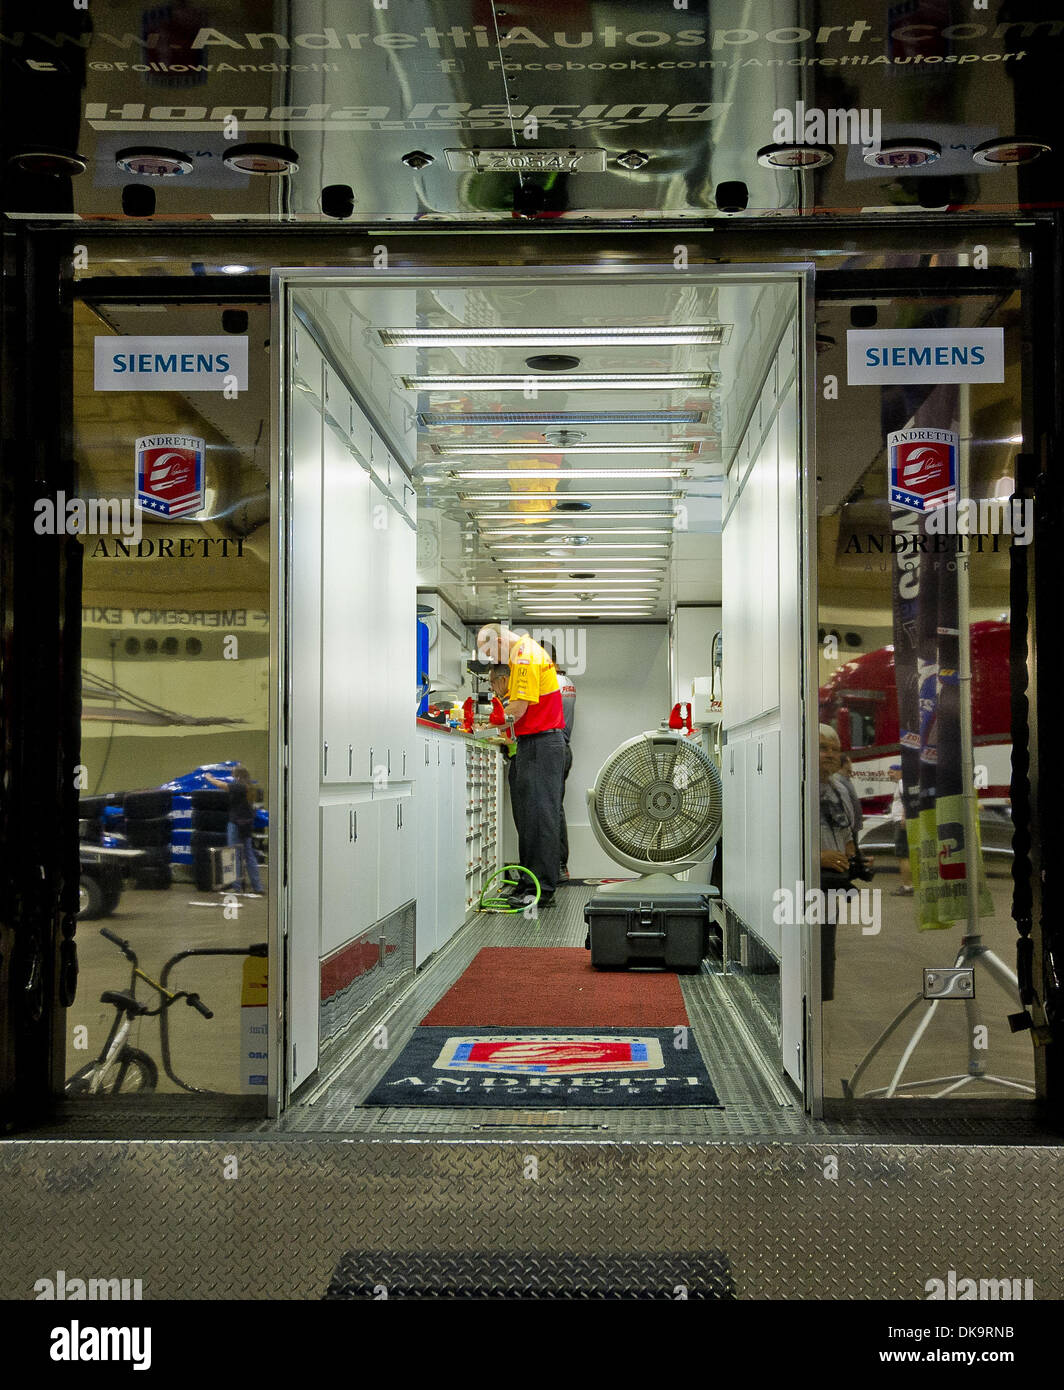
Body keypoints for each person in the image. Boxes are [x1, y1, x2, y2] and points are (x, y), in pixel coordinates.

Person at [476, 622, 566, 909]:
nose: (492, 660)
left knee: (539, 820)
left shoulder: (524, 655)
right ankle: (530, 884)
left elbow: (518, 709)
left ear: (500, 640)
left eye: (490, 652)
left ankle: (540, 889)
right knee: (529, 820)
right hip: (534, 744)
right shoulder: (523, 655)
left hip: (542, 744)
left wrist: (487, 727)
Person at [819, 724, 861, 1001]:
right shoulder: (793, 786)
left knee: (825, 949)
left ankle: (821, 997)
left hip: (831, 888)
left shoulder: (840, 789)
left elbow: (847, 833)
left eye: (835, 750)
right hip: (799, 889)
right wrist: (818, 857)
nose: (830, 755)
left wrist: (853, 858)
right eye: (823, 748)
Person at [542, 641, 576, 881]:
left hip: (552, 749)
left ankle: (557, 866)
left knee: (549, 809)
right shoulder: (567, 682)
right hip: (564, 748)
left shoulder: (550, 682)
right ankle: (560, 865)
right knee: (556, 808)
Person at [204, 764, 263, 897]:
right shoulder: (251, 787)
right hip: (247, 823)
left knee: (234, 854)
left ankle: (236, 887)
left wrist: (209, 778)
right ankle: (257, 886)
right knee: (249, 855)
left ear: (237, 775)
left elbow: (221, 785)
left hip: (236, 823)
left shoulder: (238, 786)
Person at [888, 763, 913, 895]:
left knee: (903, 855)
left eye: (892, 772)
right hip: (899, 820)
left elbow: (908, 800)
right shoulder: (900, 784)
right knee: (905, 855)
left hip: (902, 822)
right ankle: (909, 885)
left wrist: (904, 817)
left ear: (900, 772)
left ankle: (907, 887)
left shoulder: (902, 782)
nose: (889, 774)